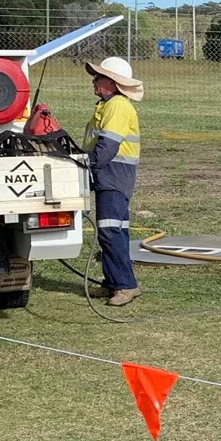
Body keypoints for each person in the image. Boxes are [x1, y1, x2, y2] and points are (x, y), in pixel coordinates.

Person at [83, 56, 144, 306]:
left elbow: (108, 146)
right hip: (111, 173)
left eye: (98, 77)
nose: (94, 81)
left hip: (113, 174)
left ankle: (125, 286)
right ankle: (113, 282)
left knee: (110, 229)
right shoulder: (108, 105)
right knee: (112, 230)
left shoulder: (117, 106)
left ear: (112, 82)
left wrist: (86, 165)